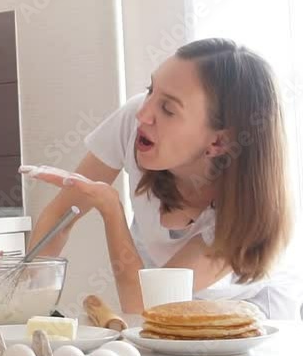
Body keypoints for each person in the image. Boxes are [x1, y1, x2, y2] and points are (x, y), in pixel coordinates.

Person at [24, 38, 300, 318]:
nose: (144, 114)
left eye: (168, 109)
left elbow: (144, 307)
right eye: (150, 90)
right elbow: (61, 216)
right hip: (158, 293)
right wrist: (27, 301)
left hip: (251, 314)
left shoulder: (248, 215)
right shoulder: (135, 121)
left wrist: (111, 209)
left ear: (219, 142)